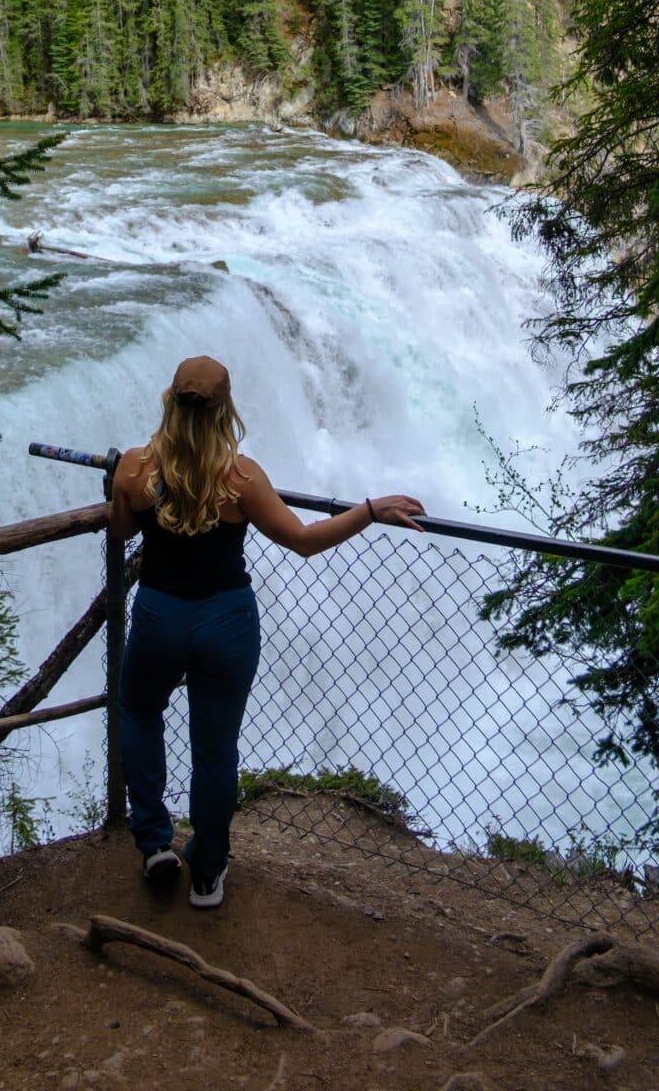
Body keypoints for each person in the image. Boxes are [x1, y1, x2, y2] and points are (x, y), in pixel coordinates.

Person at [107, 354, 425, 909]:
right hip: (225, 622)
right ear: (226, 409)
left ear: (168, 402)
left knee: (138, 712)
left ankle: (155, 844)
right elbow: (303, 539)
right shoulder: (242, 478)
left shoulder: (135, 469)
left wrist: (124, 492)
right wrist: (369, 510)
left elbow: (121, 530)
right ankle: (207, 872)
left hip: (160, 615)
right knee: (214, 750)